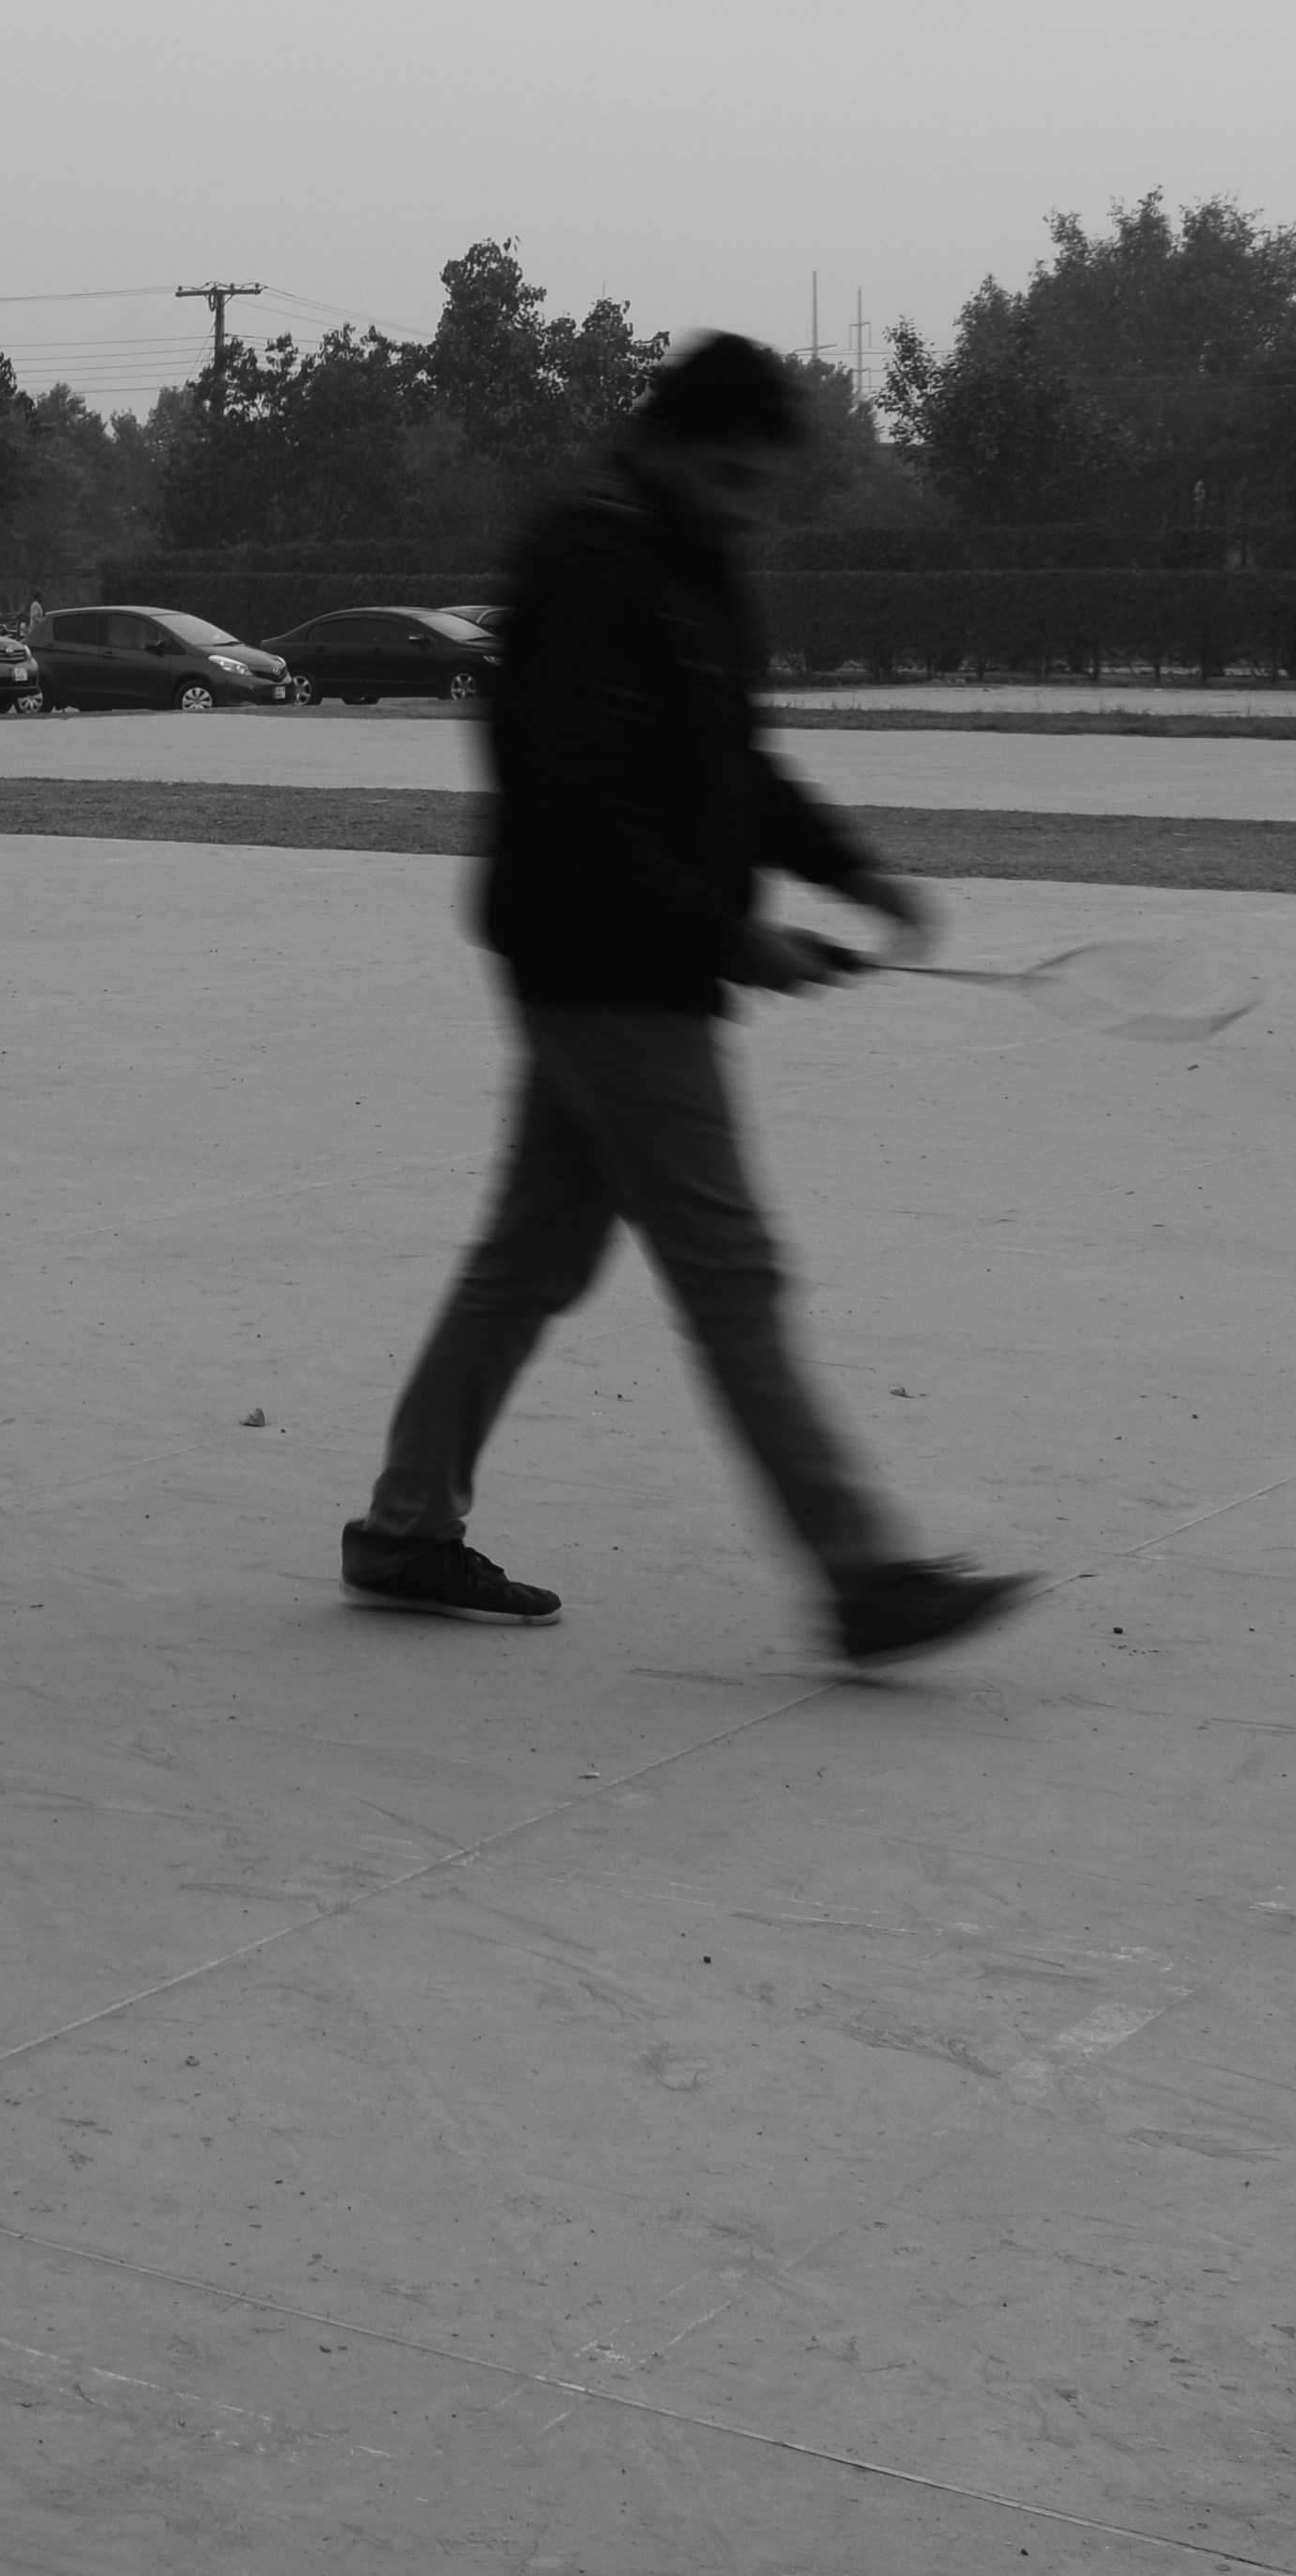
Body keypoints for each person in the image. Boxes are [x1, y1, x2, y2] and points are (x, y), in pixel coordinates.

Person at [342, 331, 1035, 1668]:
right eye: (728, 477)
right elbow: (578, 817)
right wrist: (733, 941)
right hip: (606, 974)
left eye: (760, 487)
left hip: (624, 966)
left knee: (529, 1262)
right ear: (666, 443)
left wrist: (856, 872)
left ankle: (403, 1529)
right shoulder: (590, 567)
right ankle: (861, 1577)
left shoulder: (692, 558)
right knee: (732, 1278)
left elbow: (737, 769)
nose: (745, 506)